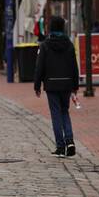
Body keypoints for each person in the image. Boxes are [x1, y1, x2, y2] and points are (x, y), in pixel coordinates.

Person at [33, 15, 80, 157]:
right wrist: (75, 85)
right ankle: (70, 141)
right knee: (65, 111)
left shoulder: (45, 45)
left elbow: (39, 67)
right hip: (66, 83)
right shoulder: (69, 45)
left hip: (51, 84)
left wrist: (37, 85)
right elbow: (74, 66)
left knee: (56, 114)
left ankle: (60, 146)